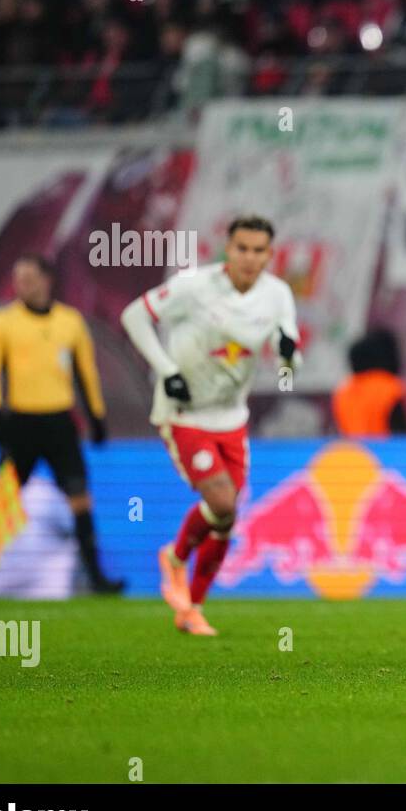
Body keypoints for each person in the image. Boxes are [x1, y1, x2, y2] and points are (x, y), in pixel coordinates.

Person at [120, 215, 301, 636]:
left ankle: (192, 609)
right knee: (222, 503)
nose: (250, 258)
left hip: (232, 418)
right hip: (185, 413)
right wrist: (166, 370)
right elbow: (134, 317)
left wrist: (289, 355)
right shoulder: (193, 288)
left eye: (259, 251)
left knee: (225, 519)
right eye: (242, 249)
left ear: (270, 255)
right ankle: (176, 558)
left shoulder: (277, 296)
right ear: (228, 249)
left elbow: (288, 358)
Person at [0, 254, 124, 597]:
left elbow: (86, 373)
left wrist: (96, 416)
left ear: (46, 280)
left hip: (60, 424)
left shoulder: (70, 322)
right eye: (17, 279)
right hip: (20, 423)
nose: (21, 285)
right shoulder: (3, 322)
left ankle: (97, 577)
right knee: (2, 499)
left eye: (28, 278)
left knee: (79, 496)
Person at [332, 329, 406, 437]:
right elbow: (401, 431)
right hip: (387, 451)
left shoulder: (343, 392)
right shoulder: (391, 387)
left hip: (356, 452)